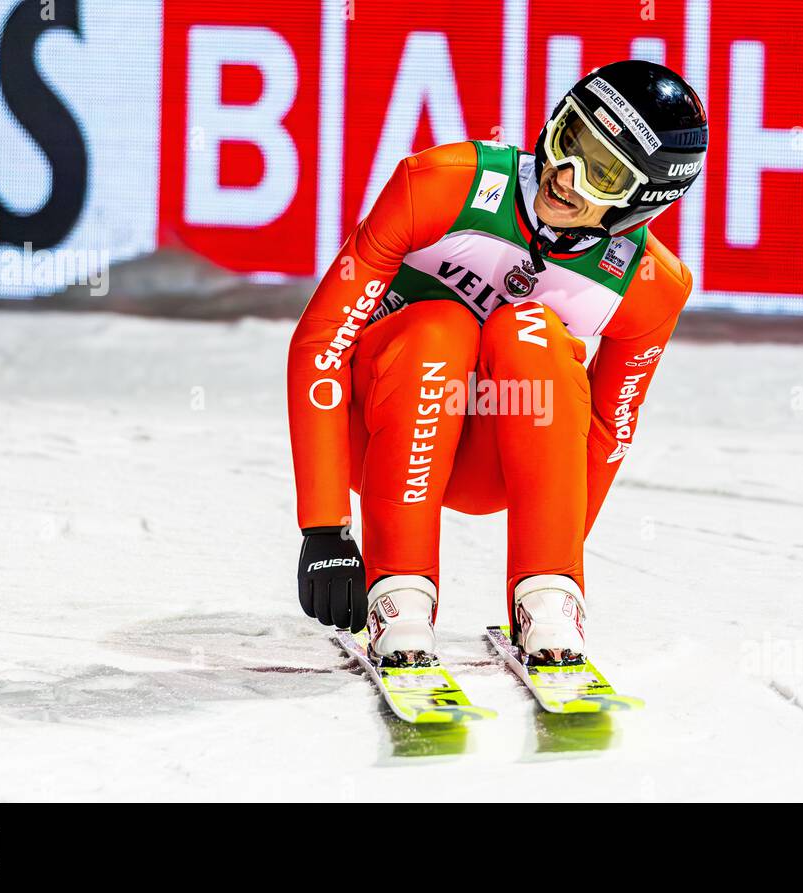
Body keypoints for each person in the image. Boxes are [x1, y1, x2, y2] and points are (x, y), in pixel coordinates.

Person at [288, 60, 707, 666]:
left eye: (604, 173)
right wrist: (325, 527)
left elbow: (606, 431)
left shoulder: (648, 286)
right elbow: (323, 341)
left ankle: (548, 596)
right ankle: (399, 591)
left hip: (498, 457)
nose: (565, 176)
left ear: (641, 203)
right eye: (571, 138)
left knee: (528, 332)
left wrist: (557, 564)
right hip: (377, 432)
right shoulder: (439, 184)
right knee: (442, 326)